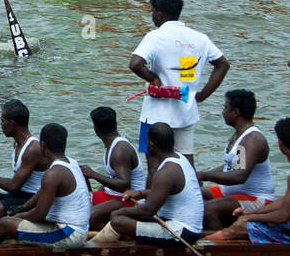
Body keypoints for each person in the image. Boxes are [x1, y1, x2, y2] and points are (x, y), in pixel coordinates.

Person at [128, 0, 228, 165]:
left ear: (159, 14)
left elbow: (135, 64)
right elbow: (222, 65)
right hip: (186, 112)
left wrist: (152, 78)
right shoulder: (199, 38)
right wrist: (203, 95)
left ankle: (154, 192)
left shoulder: (155, 37)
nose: (152, 15)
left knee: (154, 166)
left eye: (152, 11)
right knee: (186, 165)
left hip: (156, 115)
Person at [97, 123, 205, 246]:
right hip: (184, 226)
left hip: (180, 232)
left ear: (150, 144)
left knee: (118, 220)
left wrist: (122, 212)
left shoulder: (165, 172)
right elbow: (167, 191)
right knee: (121, 215)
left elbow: (149, 210)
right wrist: (140, 193)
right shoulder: (180, 158)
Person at [0, 123, 91, 250]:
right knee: (11, 220)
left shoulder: (52, 174)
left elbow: (39, 215)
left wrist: (19, 217)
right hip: (78, 230)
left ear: (42, 145)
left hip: (68, 235)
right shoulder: (72, 162)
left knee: (4, 224)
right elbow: (42, 191)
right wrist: (22, 208)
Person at [198, 90, 276, 231]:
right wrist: (196, 175)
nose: (223, 112)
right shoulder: (239, 134)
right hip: (232, 192)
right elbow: (232, 165)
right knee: (193, 193)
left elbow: (240, 176)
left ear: (236, 112)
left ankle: (217, 245)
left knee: (208, 209)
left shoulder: (253, 139)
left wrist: (204, 175)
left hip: (256, 198)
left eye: (225, 108)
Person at [206, 118, 290, 245]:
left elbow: (283, 215)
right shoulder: (240, 138)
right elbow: (284, 201)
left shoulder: (251, 139)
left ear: (280, 143)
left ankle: (209, 248)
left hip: (280, 219)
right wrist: (250, 213)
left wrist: (249, 217)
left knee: (240, 227)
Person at [0, 99, 48, 228]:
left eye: (2, 121)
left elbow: (13, 186)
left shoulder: (32, 149)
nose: (1, 125)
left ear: (12, 123)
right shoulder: (16, 143)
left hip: (31, 199)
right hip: (18, 195)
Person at [80, 106, 146, 232]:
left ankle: (117, 240)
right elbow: (112, 179)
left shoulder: (119, 150)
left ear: (96, 129)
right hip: (115, 196)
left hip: (131, 200)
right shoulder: (111, 146)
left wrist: (93, 175)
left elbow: (124, 185)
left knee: (90, 216)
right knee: (78, 205)